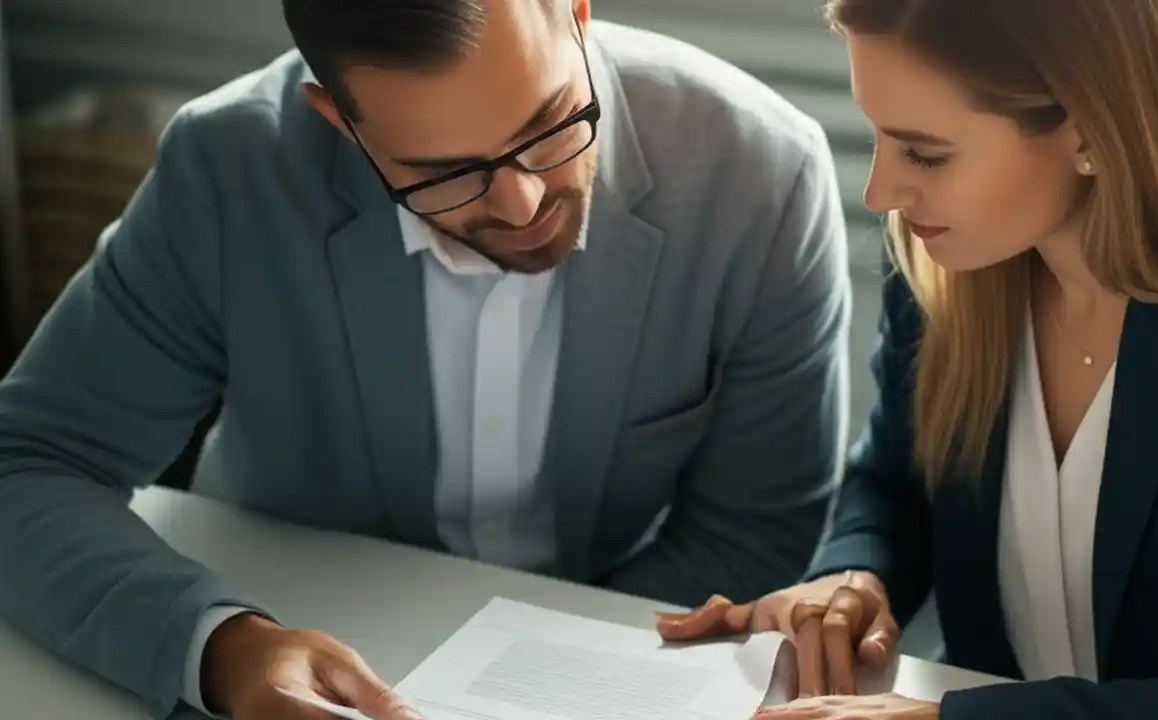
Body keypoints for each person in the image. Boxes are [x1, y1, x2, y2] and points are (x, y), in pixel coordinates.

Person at [0, 1, 853, 718]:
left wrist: (575, 672)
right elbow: (27, 464)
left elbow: (758, 530)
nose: (522, 202)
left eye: (551, 123)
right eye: (444, 174)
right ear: (339, 120)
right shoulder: (227, 169)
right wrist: (221, 646)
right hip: (300, 635)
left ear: (578, 14)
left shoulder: (760, 173)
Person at [658, 0, 1158, 717]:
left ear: (1093, 129)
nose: (881, 191)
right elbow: (894, 483)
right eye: (880, 136)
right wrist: (855, 576)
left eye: (925, 152)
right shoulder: (950, 265)